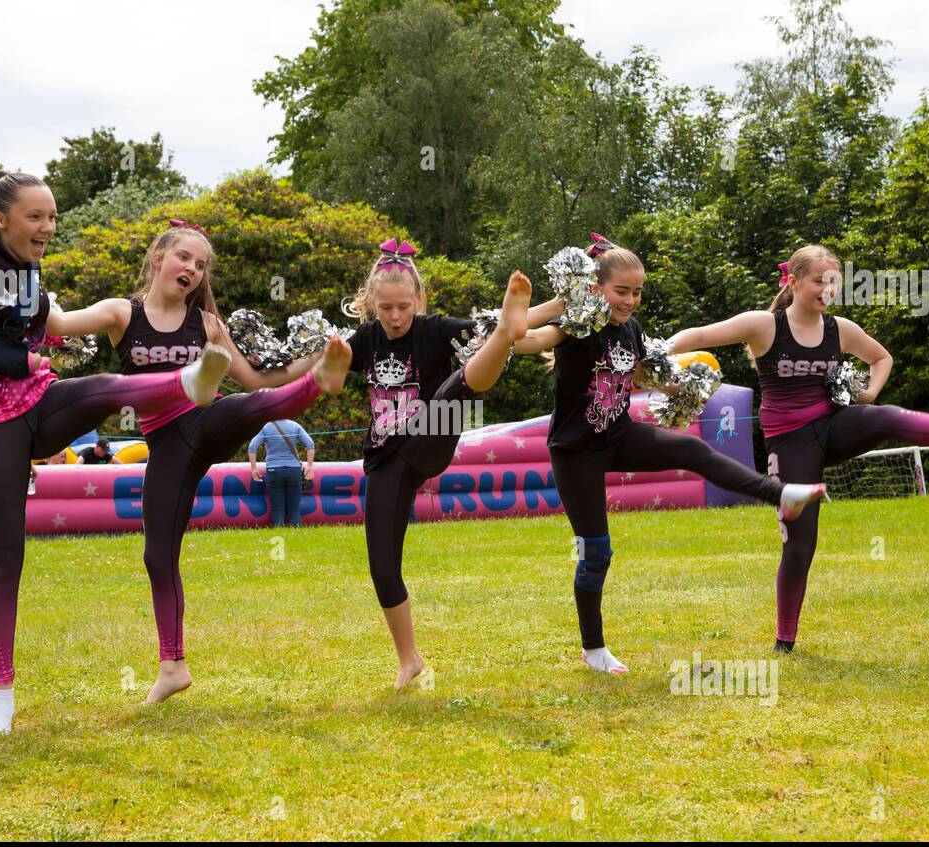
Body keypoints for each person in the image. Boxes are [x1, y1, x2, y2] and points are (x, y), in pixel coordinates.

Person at [0, 170, 232, 734]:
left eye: (51, 217)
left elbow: (37, 328)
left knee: (102, 387)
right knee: (3, 556)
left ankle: (185, 383)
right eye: (35, 218)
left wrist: (46, 341)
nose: (48, 227)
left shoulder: (27, 271)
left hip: (38, 404)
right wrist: (19, 360)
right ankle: (1, 698)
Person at [45, 219, 351, 703]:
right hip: (165, 446)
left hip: (205, 423)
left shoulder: (206, 323)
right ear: (158, 257)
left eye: (201, 265)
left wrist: (318, 361)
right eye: (185, 257)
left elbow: (255, 381)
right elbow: (58, 325)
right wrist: (29, 287)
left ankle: (316, 384)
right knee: (157, 554)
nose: (192, 268)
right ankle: (172, 668)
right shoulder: (122, 314)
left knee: (247, 406)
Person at [513, 236, 826, 675]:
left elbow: (648, 377)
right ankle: (593, 647)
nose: (630, 300)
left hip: (619, 436)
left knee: (692, 448)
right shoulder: (575, 323)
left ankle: (780, 495)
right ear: (595, 287)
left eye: (637, 291)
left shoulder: (631, 331)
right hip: (576, 451)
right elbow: (521, 339)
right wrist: (554, 302)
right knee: (597, 552)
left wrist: (692, 382)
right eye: (621, 291)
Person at [667, 243, 929, 652]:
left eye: (833, 282)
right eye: (818, 281)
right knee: (800, 544)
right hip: (790, 445)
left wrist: (869, 393)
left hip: (835, 426)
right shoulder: (766, 325)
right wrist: (661, 354)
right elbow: (700, 335)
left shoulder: (840, 328)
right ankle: (785, 640)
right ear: (793, 281)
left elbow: (881, 358)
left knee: (887, 416)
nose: (827, 289)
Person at [343, 239, 531, 688]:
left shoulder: (433, 329)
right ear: (371, 304)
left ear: (418, 301)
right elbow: (319, 370)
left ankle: (505, 333)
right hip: (386, 457)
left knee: (454, 388)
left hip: (432, 434)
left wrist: (550, 309)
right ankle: (409, 660)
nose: (394, 317)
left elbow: (517, 327)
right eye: (385, 307)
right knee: (382, 566)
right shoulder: (365, 338)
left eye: (403, 307)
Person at [248, 419, 315, 528]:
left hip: (274, 470)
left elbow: (252, 447)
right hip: (293, 470)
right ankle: (297, 535)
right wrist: (310, 466)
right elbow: (310, 444)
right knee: (295, 509)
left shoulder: (266, 427)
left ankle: (279, 534)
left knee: (277, 509)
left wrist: (254, 468)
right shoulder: (295, 425)